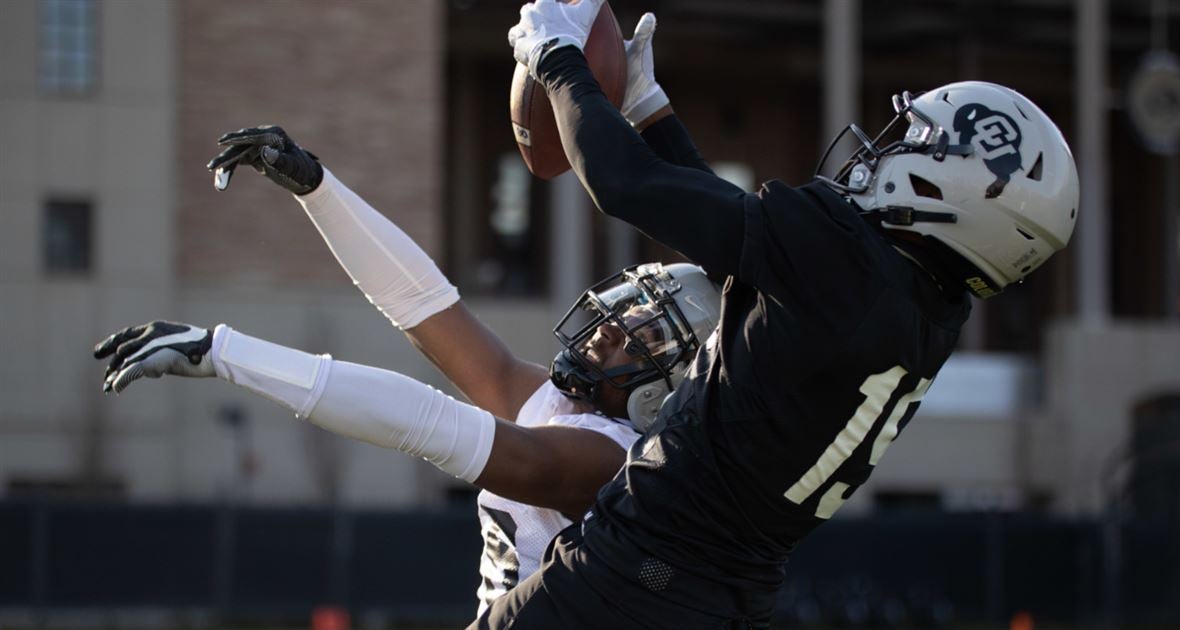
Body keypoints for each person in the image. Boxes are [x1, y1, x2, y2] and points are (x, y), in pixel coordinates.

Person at [481, 3, 1080, 628]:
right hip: (726, 601)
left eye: (909, 140)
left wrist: (557, 60)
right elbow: (735, 239)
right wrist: (646, 109)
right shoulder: (930, 310)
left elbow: (623, 184)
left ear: (951, 186)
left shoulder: (842, 259)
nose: (882, 149)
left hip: (634, 574)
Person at [91, 124, 722, 617]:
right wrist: (318, 189)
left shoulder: (614, 461)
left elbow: (429, 425)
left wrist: (226, 354)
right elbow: (424, 306)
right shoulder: (562, 410)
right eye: (628, 305)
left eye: (644, 332)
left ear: (664, 393)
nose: (611, 324)